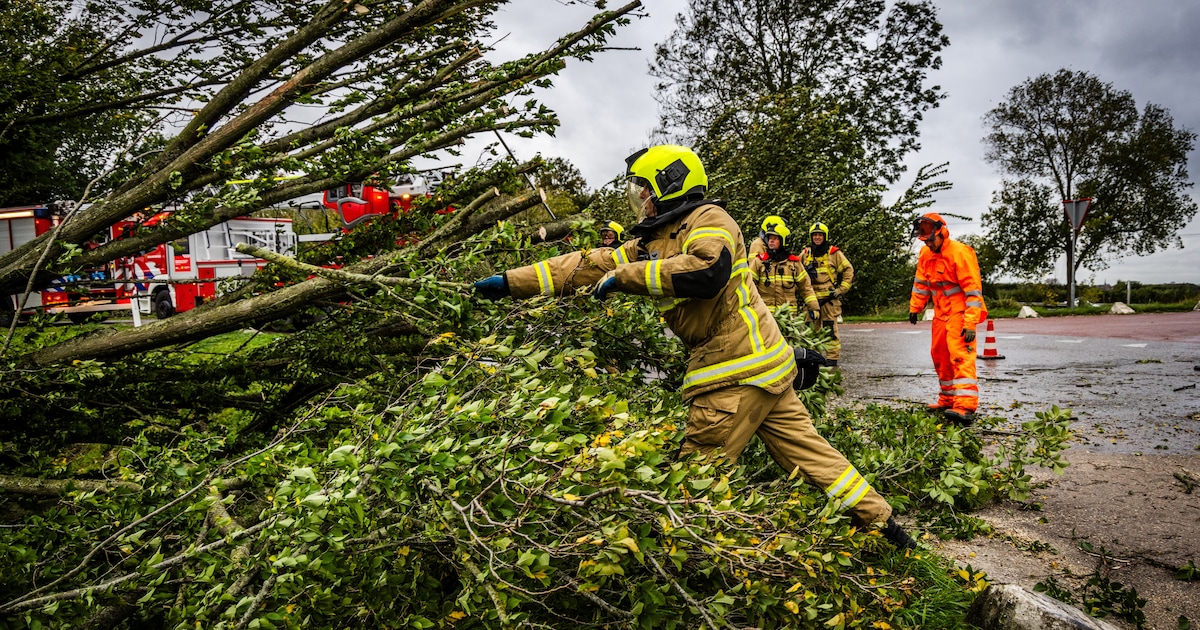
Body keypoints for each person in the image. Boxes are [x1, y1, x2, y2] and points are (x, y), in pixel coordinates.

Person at [474, 145, 915, 548]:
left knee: (692, 487)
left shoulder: (708, 220)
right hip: (762, 364)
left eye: (644, 191)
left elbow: (708, 271)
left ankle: (695, 560)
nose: (639, 201)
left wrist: (628, 277)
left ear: (669, 185)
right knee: (811, 453)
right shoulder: (652, 240)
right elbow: (585, 265)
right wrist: (512, 283)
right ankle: (887, 529)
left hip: (733, 372)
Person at [908, 212, 988, 426]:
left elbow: (973, 291)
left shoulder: (960, 253)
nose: (929, 245)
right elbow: (921, 284)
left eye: (931, 240)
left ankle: (965, 407)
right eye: (924, 241)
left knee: (960, 356)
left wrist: (970, 322)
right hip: (941, 313)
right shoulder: (926, 254)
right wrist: (915, 307)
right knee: (940, 355)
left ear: (942, 233)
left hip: (960, 314)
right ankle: (948, 400)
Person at [799, 222, 853, 366]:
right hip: (811, 300)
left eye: (820, 235)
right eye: (815, 235)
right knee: (810, 330)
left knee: (829, 330)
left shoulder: (834, 253)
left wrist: (841, 289)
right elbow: (795, 270)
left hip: (829, 300)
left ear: (825, 237)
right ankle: (812, 358)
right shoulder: (805, 254)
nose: (817, 237)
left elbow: (848, 270)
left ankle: (831, 359)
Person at [748, 219, 821, 321]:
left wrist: (814, 308)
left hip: (788, 318)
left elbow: (806, 287)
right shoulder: (759, 262)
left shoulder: (794, 264)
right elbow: (749, 286)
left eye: (775, 238)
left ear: (783, 241)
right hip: (765, 317)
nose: (771, 241)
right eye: (769, 238)